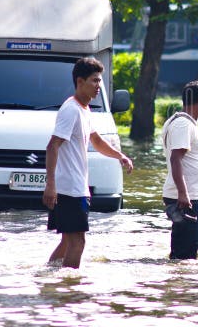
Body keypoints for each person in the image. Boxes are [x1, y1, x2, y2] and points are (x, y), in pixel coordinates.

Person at [43, 57, 134, 269]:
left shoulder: (85, 110)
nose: (98, 86)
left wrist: (120, 156)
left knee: (67, 241)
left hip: (76, 187)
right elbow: (52, 146)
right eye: (94, 81)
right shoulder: (71, 109)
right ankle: (70, 289)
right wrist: (50, 185)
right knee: (79, 242)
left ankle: (50, 277)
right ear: (80, 81)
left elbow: (97, 141)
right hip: (70, 189)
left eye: (100, 81)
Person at [161, 80, 198, 259]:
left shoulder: (188, 124)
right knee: (184, 256)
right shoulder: (182, 124)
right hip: (186, 199)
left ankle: (191, 280)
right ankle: (181, 282)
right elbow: (176, 159)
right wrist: (183, 194)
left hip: (195, 197)